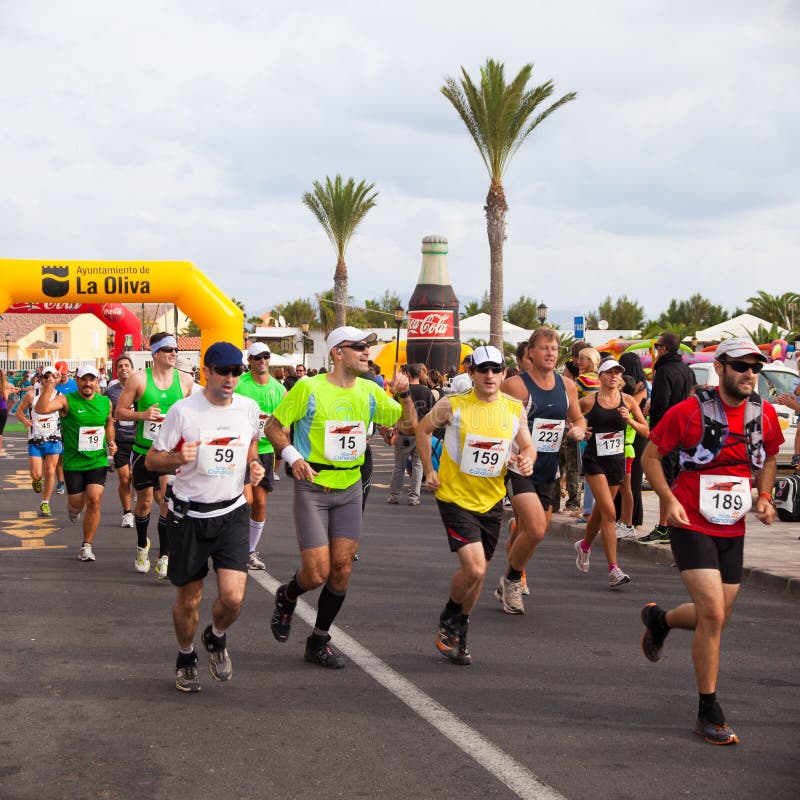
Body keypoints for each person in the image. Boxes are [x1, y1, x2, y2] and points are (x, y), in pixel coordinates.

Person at [640, 338, 783, 745]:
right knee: (714, 615)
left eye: (755, 367)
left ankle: (660, 620)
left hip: (732, 526)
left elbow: (770, 456)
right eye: (740, 366)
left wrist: (766, 495)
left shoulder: (764, 413)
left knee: (713, 615)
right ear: (719, 369)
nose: (749, 374)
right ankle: (709, 710)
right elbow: (652, 455)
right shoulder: (688, 412)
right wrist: (667, 500)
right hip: (690, 520)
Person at [263, 326, 412, 669]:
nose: (366, 352)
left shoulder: (370, 391)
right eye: (358, 347)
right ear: (337, 353)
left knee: (342, 569)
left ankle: (318, 639)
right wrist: (293, 458)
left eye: (367, 347)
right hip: (313, 487)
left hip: (348, 488)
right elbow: (273, 426)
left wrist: (405, 397)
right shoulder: (308, 387)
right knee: (316, 573)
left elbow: (405, 425)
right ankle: (287, 596)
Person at [145, 342, 264, 693]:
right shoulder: (183, 411)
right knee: (189, 600)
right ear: (206, 372)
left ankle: (216, 636)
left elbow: (251, 445)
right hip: (189, 516)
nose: (230, 379)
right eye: (223, 372)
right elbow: (153, 460)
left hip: (231, 513)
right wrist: (178, 458)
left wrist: (254, 466)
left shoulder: (248, 407)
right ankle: (185, 656)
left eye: (236, 372)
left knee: (233, 598)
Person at [416, 345, 536, 664]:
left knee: (478, 576)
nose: (490, 375)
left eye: (496, 369)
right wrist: (429, 470)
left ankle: (461, 629)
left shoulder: (513, 408)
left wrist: (527, 460)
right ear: (472, 373)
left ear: (504, 373)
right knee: (475, 567)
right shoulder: (452, 404)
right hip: (454, 497)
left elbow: (527, 445)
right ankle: (449, 616)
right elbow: (423, 430)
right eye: (483, 369)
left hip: (491, 501)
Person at [494, 328, 586, 613]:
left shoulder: (567, 386)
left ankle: (508, 576)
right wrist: (510, 452)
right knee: (535, 529)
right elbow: (497, 421)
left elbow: (578, 418)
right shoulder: (515, 386)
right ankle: (511, 580)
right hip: (520, 467)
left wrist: (579, 430)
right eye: (544, 347)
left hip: (549, 469)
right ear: (530, 353)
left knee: (535, 531)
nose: (550, 353)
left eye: (554, 348)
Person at [116, 333, 194, 578]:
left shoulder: (185, 381)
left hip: (170, 454)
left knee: (168, 504)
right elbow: (119, 412)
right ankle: (142, 545)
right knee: (145, 503)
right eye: (168, 349)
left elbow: (192, 416)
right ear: (155, 354)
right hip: (143, 451)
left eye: (176, 349)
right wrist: (142, 415)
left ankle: (165, 556)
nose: (174, 353)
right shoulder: (139, 379)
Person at [574, 359, 650, 588]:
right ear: (600, 376)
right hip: (594, 461)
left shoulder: (627, 401)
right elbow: (572, 419)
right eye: (609, 373)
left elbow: (646, 430)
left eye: (617, 373)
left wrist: (630, 421)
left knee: (600, 511)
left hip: (616, 462)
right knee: (609, 513)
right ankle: (613, 569)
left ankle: (584, 546)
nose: (614, 376)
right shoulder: (589, 401)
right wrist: (580, 430)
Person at [34, 365, 116, 560]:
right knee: (77, 505)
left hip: (97, 460)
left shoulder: (105, 402)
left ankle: (86, 545)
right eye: (83, 379)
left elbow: (108, 423)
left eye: (91, 379)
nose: (87, 383)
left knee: (95, 500)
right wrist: (49, 384)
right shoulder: (66, 400)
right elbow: (41, 409)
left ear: (97, 381)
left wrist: (111, 442)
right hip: (73, 463)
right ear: (77, 380)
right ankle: (73, 510)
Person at [234, 342, 286, 570]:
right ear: (250, 362)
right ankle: (234, 545)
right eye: (257, 357)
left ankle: (249, 550)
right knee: (246, 500)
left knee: (260, 503)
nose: (262, 360)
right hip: (240, 450)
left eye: (265, 356)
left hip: (264, 452)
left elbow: (285, 425)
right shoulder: (240, 385)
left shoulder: (278, 389)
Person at [640, 332, 695, 544]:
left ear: (663, 349)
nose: (656, 351)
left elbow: (661, 403)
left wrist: (650, 410)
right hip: (687, 431)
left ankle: (665, 526)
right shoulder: (687, 370)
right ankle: (678, 524)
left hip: (667, 432)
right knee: (680, 480)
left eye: (657, 347)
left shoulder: (663, 370)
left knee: (664, 481)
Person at [15, 365, 62, 516]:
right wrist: (24, 420)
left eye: (52, 376)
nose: (49, 379)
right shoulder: (31, 395)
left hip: (54, 439)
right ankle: (36, 480)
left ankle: (45, 503)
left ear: (56, 378)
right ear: (41, 379)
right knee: (37, 474)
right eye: (46, 376)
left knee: (50, 471)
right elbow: (19, 411)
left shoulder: (60, 396)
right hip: (35, 439)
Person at [387, 363, 434, 507]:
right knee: (418, 465)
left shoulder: (401, 390)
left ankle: (395, 495)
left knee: (399, 466)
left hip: (403, 432)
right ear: (420, 374)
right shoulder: (427, 392)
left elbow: (395, 411)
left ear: (407, 373)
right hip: (420, 433)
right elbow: (432, 413)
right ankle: (414, 497)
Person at [615, 351, 649, 536]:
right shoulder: (641, 385)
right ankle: (624, 518)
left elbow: (632, 408)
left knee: (632, 480)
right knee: (628, 480)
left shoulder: (636, 389)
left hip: (633, 435)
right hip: (635, 435)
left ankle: (632, 519)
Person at [105, 354, 136, 528]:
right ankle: (127, 513)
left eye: (126, 365)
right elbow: (106, 412)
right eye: (120, 366)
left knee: (136, 478)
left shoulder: (141, 388)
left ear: (132, 368)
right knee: (124, 478)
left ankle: (136, 494)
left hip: (139, 439)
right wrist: (109, 419)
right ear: (116, 371)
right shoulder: (112, 391)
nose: (124, 368)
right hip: (121, 440)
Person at [0, 368, 20, 457]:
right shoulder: (5, 386)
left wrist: (12, 390)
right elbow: (5, 397)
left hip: (2, 410)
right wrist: (11, 391)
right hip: (2, 410)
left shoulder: (5, 386)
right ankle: (0, 450)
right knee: (0, 432)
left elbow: (10, 390)